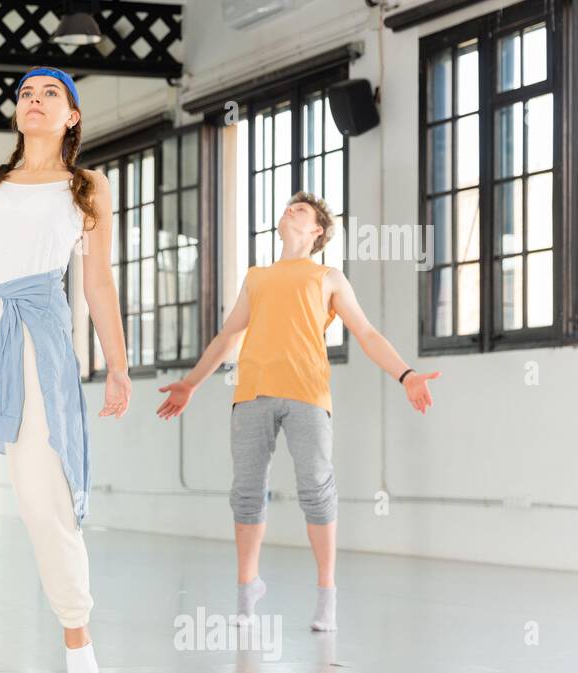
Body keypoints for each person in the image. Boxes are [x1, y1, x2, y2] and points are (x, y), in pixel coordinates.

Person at [0, 66, 131, 673]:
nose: (34, 102)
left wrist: (117, 364)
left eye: (50, 95)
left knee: (44, 498)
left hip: (36, 333)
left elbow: (96, 283)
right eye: (25, 94)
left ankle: (78, 640)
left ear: (72, 116)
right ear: (16, 114)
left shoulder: (86, 185)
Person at [156, 192, 441, 631]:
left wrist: (406, 376)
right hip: (251, 394)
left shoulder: (328, 277)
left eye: (301, 210)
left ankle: (327, 593)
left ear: (317, 232)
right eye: (289, 207)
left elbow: (365, 333)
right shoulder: (256, 278)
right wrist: (191, 383)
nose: (290, 210)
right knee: (247, 492)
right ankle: (246, 589)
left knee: (316, 489)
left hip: (307, 394)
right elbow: (228, 336)